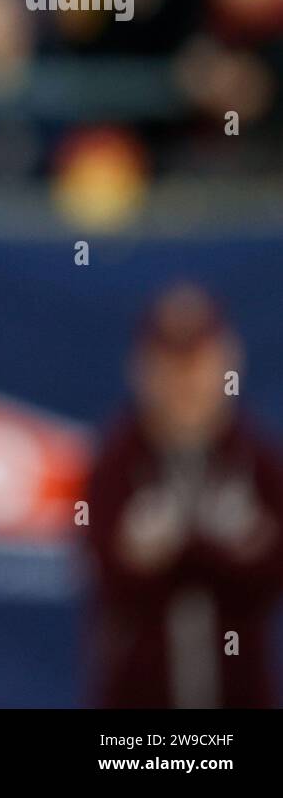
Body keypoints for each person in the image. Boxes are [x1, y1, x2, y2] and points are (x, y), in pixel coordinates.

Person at [84, 284, 283, 707]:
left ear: (227, 364)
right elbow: (106, 569)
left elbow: (268, 573)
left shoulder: (256, 459)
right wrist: (215, 550)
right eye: (172, 365)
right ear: (144, 369)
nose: (185, 382)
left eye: (198, 363)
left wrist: (181, 551)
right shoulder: (117, 462)